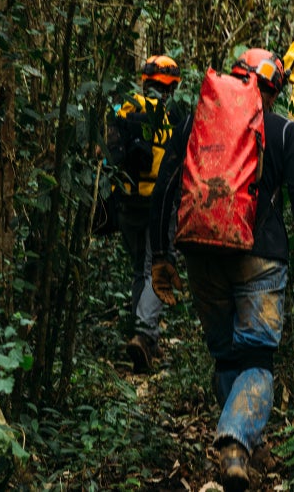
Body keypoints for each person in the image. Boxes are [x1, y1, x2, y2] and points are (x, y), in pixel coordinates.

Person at [149, 48, 294, 491]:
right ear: (275, 89)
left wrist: (160, 257)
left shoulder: (196, 121)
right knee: (257, 357)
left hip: (202, 254)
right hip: (262, 259)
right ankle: (236, 444)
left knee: (226, 353)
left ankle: (243, 442)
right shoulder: (284, 131)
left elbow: (165, 190)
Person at [110, 54, 182, 373]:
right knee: (159, 264)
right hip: (159, 204)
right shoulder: (175, 113)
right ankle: (144, 332)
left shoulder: (125, 107)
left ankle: (143, 340)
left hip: (127, 201)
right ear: (174, 85)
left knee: (140, 268)